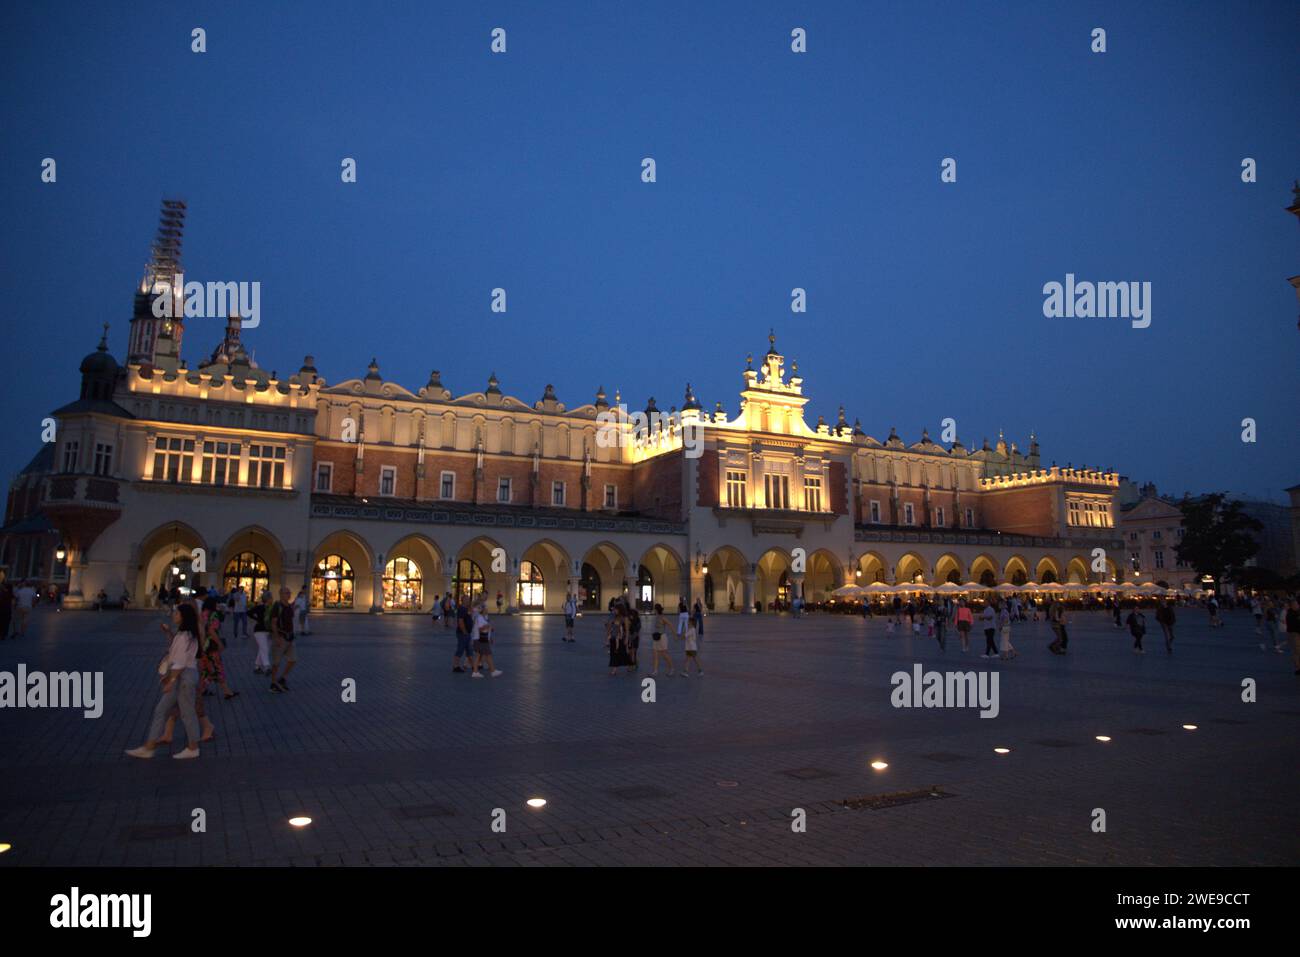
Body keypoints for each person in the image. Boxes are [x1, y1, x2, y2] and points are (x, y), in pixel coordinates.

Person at [126, 603, 204, 760]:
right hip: (181, 677)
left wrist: (171, 680)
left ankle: (193, 747)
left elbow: (181, 662)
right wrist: (168, 633)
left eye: (176, 614)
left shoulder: (185, 636)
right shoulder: (183, 635)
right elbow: (175, 651)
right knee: (162, 710)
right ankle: (149, 747)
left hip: (183, 678)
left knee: (186, 712)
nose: (173, 616)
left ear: (183, 617)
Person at [199, 596, 238, 701]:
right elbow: (212, 631)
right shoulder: (214, 615)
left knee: (206, 670)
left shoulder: (203, 614)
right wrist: (220, 643)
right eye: (216, 603)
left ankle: (201, 689)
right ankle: (227, 692)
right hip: (211, 645)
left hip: (203, 645)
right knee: (217, 668)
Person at [269, 586, 297, 692]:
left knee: (293, 659)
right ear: (281, 594)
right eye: (286, 593)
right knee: (276, 662)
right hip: (281, 637)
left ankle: (282, 678)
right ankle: (273, 683)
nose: (289, 594)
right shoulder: (277, 606)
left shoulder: (289, 606)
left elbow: (290, 621)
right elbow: (273, 622)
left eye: (289, 592)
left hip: (290, 637)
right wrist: (276, 637)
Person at [471, 602, 502, 678]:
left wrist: (490, 633)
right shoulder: (480, 618)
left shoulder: (483, 617)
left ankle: (476, 671)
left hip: (481, 639)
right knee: (487, 654)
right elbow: (481, 629)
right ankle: (492, 671)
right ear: (483, 610)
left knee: (480, 655)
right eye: (486, 608)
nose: (487, 609)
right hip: (481, 639)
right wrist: (488, 626)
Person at [250, 590, 272, 675]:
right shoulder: (260, 607)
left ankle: (257, 666)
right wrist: (257, 619)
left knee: (263, 649)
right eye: (271, 597)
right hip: (259, 631)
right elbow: (249, 612)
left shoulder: (271, 608)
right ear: (268, 599)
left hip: (268, 631)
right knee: (264, 648)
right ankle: (266, 667)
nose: (272, 599)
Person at [452, 594, 476, 673]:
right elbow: (460, 621)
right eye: (467, 599)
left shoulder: (465, 608)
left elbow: (470, 615)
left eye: (469, 599)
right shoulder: (462, 609)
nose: (468, 601)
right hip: (463, 633)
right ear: (463, 600)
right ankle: (456, 666)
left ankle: (473, 666)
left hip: (467, 633)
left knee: (469, 650)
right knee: (460, 649)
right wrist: (464, 631)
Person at [650, 604, 675, 675]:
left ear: (657, 610)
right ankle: (655, 670)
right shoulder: (656, 617)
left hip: (662, 637)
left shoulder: (663, 617)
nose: (654, 610)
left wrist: (674, 634)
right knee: (655, 654)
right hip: (656, 637)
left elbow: (670, 625)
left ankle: (672, 668)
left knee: (664, 654)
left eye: (655, 609)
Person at [1284, 597, 1300, 676]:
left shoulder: (1296, 612)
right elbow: (1294, 626)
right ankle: (1298, 668)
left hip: (1296, 633)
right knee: (1297, 651)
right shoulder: (1290, 614)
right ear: (1292, 605)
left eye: (1297, 604)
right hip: (1294, 634)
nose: (1298, 606)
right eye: (1296, 604)